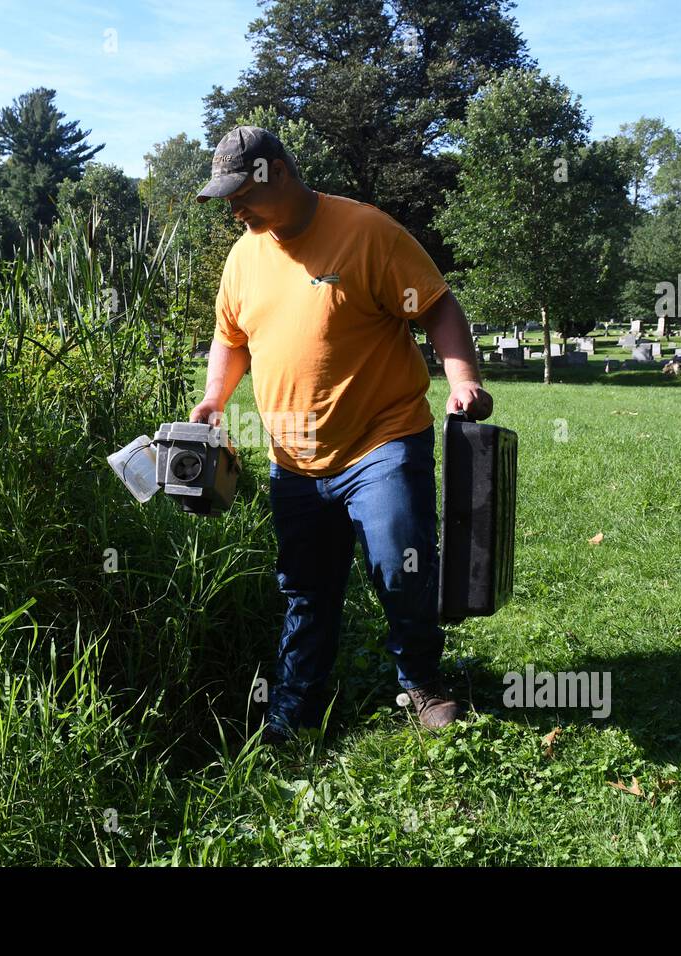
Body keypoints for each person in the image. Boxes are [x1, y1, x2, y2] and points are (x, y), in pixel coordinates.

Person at [190, 126, 492, 744]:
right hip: (293, 458)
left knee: (398, 566)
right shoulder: (244, 255)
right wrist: (213, 401)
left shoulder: (365, 231)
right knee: (305, 587)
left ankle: (422, 682)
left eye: (241, 191)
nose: (233, 207)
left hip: (380, 439)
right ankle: (294, 711)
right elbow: (231, 338)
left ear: (276, 170)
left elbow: (435, 304)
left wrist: (462, 380)